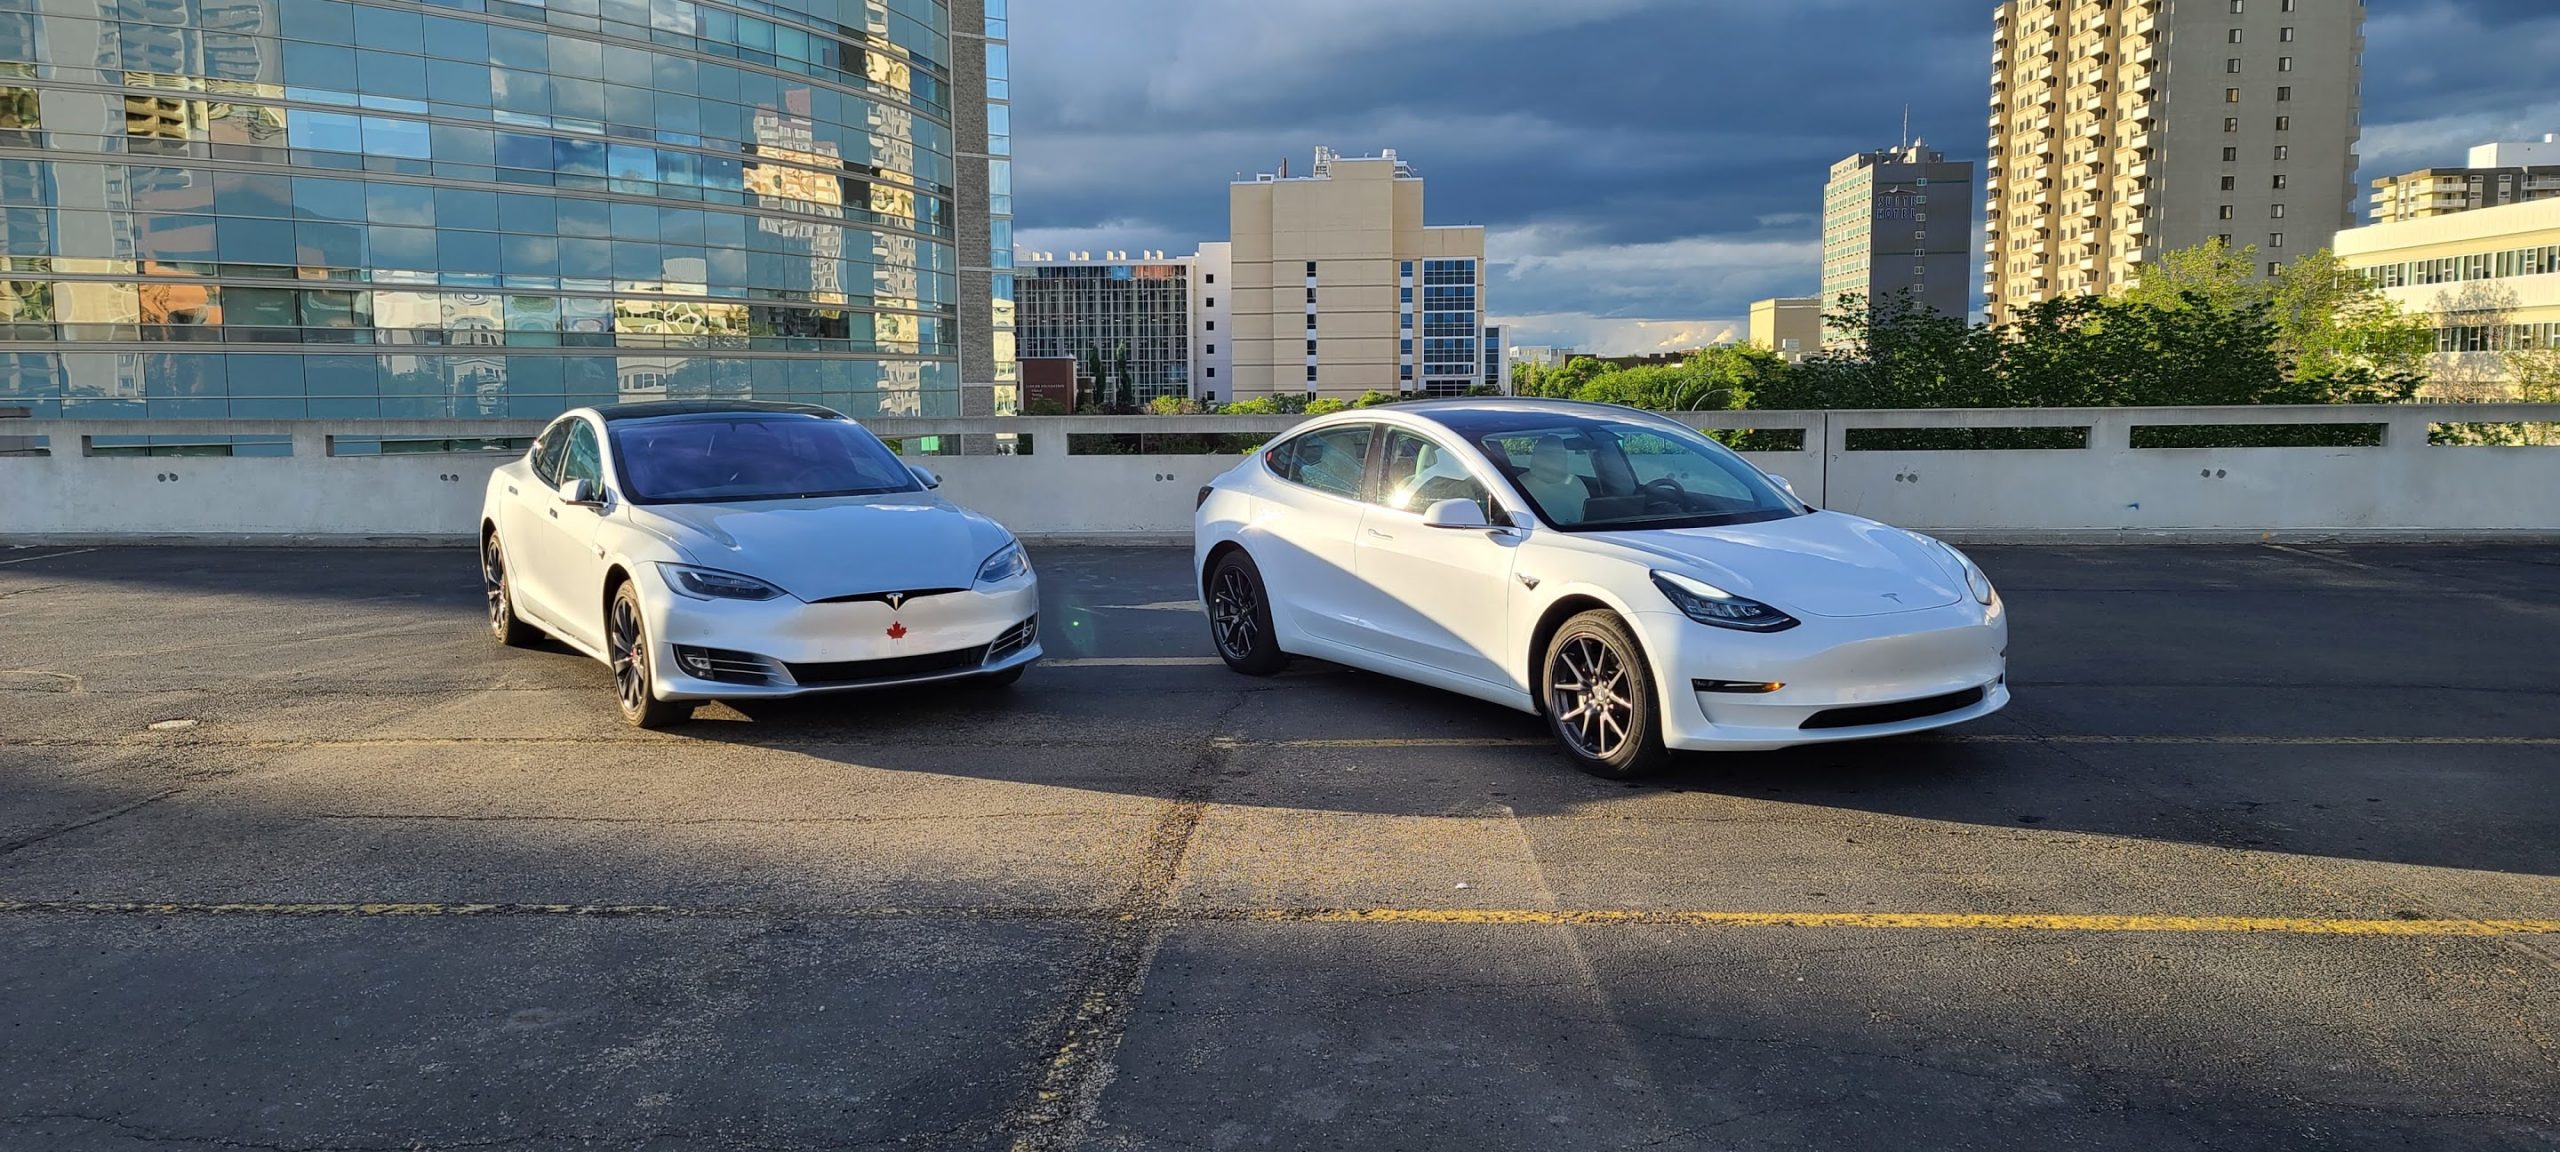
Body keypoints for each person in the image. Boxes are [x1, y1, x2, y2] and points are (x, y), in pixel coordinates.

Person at [1518, 436, 1588, 525]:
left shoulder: (1575, 483)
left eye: (1561, 454)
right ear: (1537, 458)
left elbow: (1587, 518)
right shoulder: (1519, 486)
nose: (1560, 459)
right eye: (1551, 455)